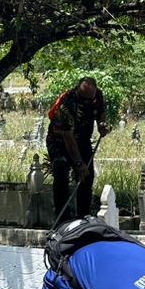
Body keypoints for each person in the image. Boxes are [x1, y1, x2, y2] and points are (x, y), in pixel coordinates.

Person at [46, 77, 109, 222]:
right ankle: (62, 217)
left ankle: (83, 216)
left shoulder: (97, 94)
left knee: (87, 176)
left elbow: (100, 111)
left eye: (90, 98)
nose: (87, 102)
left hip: (83, 140)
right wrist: (78, 163)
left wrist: (101, 124)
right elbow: (68, 137)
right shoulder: (67, 104)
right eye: (84, 99)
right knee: (61, 168)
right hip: (60, 141)